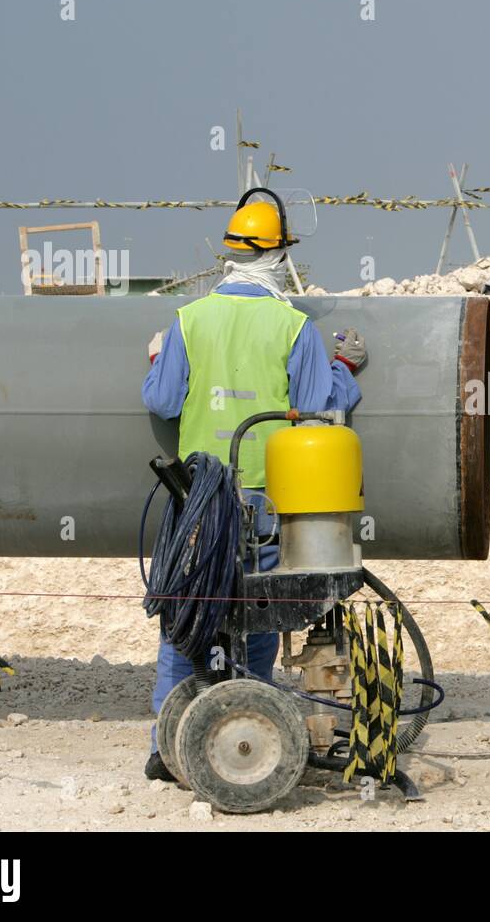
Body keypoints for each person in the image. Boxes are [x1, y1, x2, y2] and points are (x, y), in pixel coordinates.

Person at [140, 188, 367, 781]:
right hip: (267, 497)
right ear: (278, 256)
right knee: (259, 610)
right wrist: (342, 367)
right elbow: (319, 407)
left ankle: (171, 738)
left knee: (186, 612)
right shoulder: (293, 327)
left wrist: (160, 361)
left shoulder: (189, 319)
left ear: (231, 255)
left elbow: (162, 400)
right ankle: (249, 732)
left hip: (195, 500)